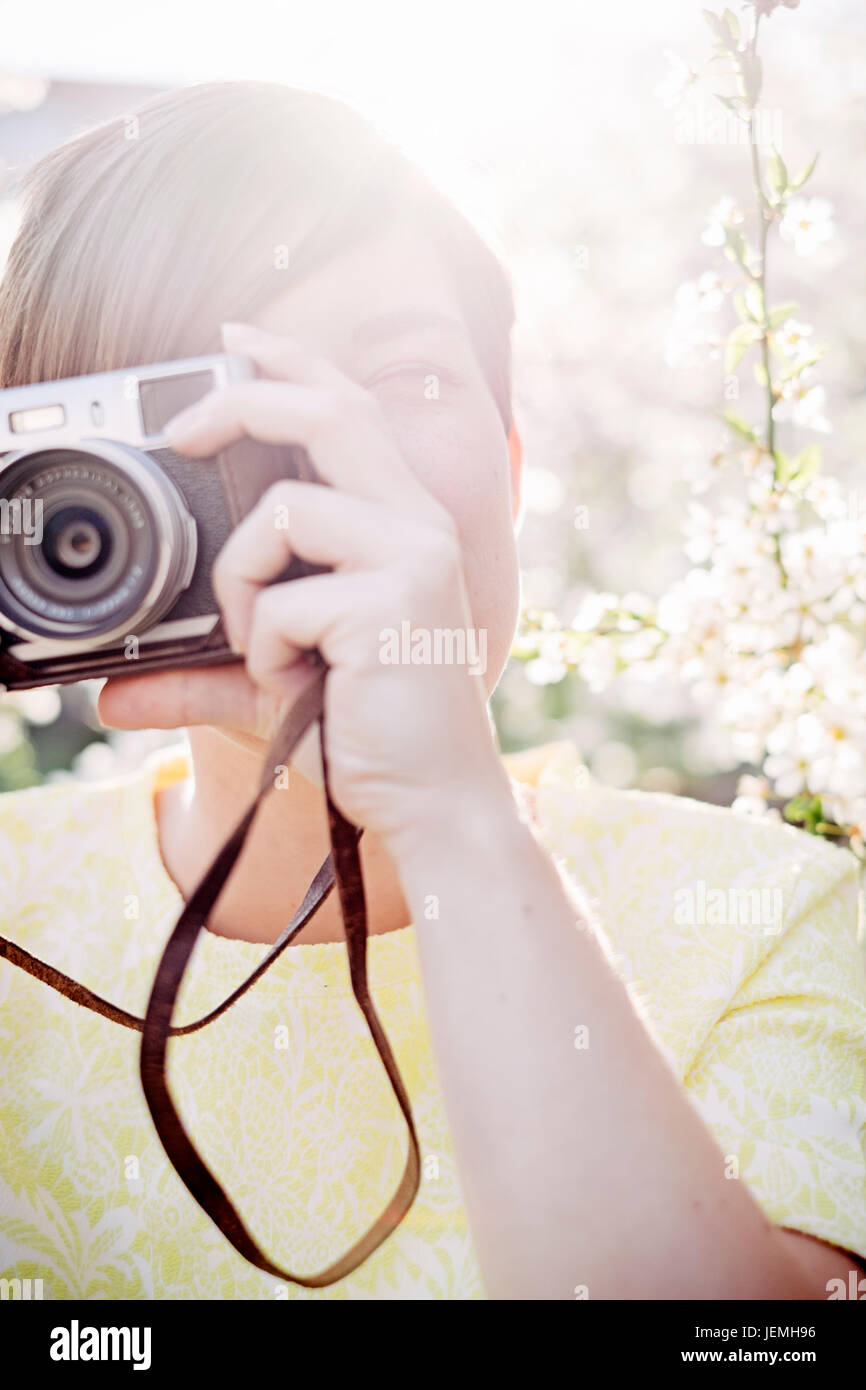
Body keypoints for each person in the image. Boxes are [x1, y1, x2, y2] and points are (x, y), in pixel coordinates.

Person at [0, 80, 864, 1302]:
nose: (320, 461)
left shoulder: (777, 912)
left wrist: (453, 816)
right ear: (52, 489)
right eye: (209, 406)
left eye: (401, 379)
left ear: (508, 472)